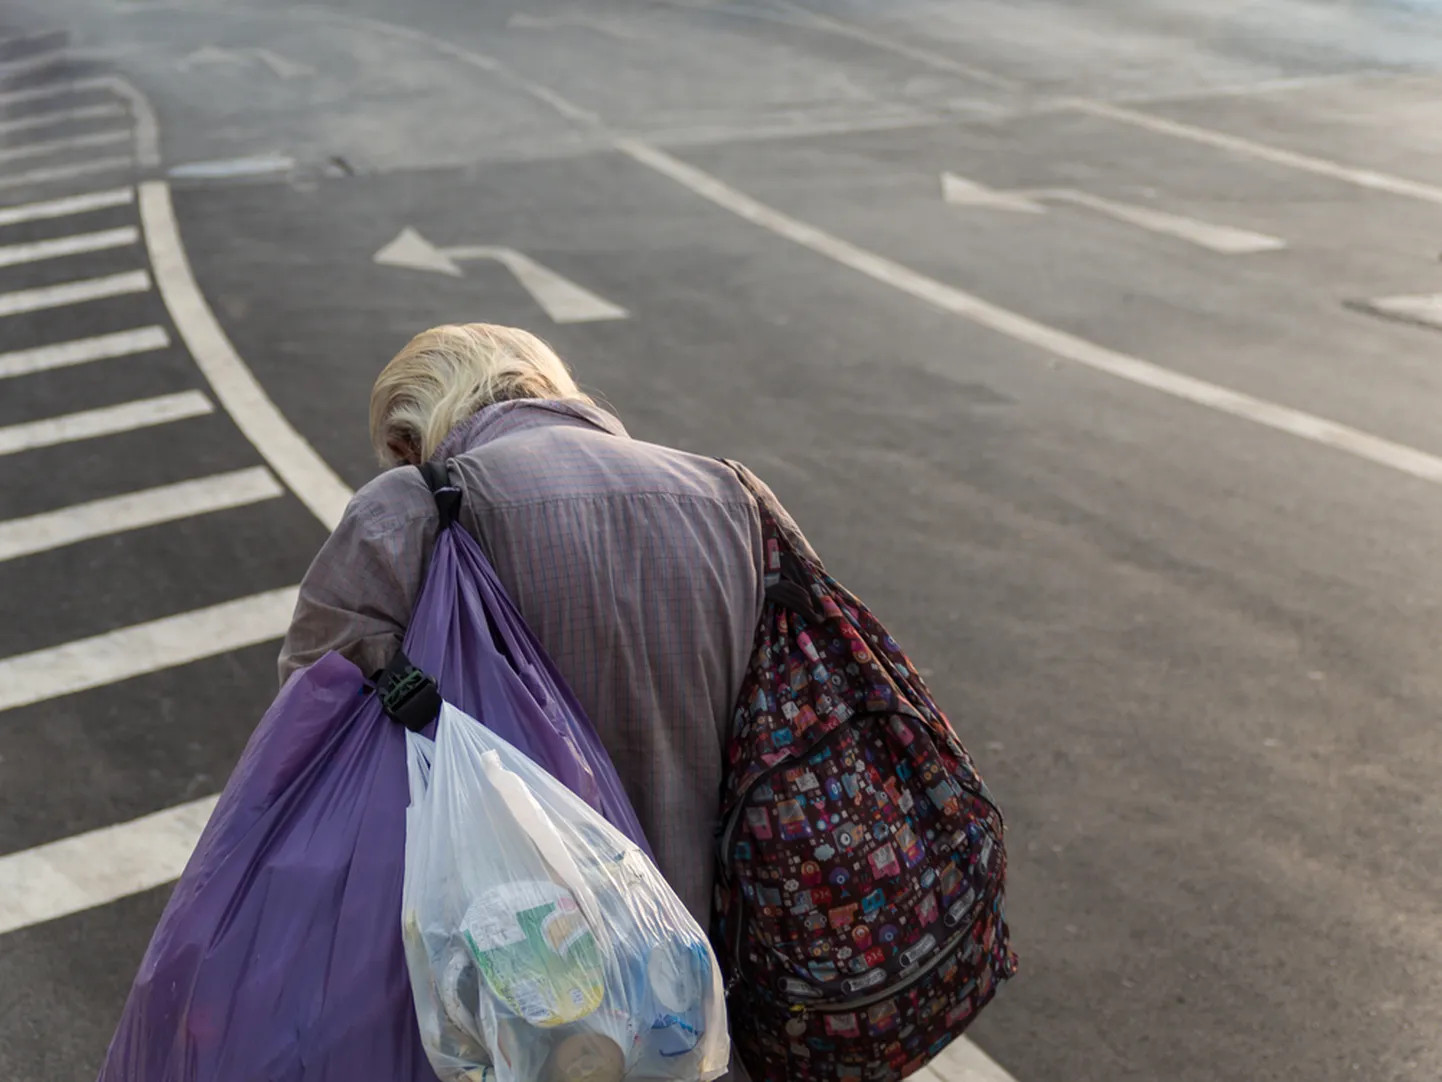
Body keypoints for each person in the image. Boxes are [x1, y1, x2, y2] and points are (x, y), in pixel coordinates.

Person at [278, 321, 818, 930]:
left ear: (408, 440)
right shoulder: (731, 497)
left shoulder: (407, 511)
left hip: (508, 960)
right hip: (700, 945)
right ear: (552, 391)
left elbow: (311, 721)